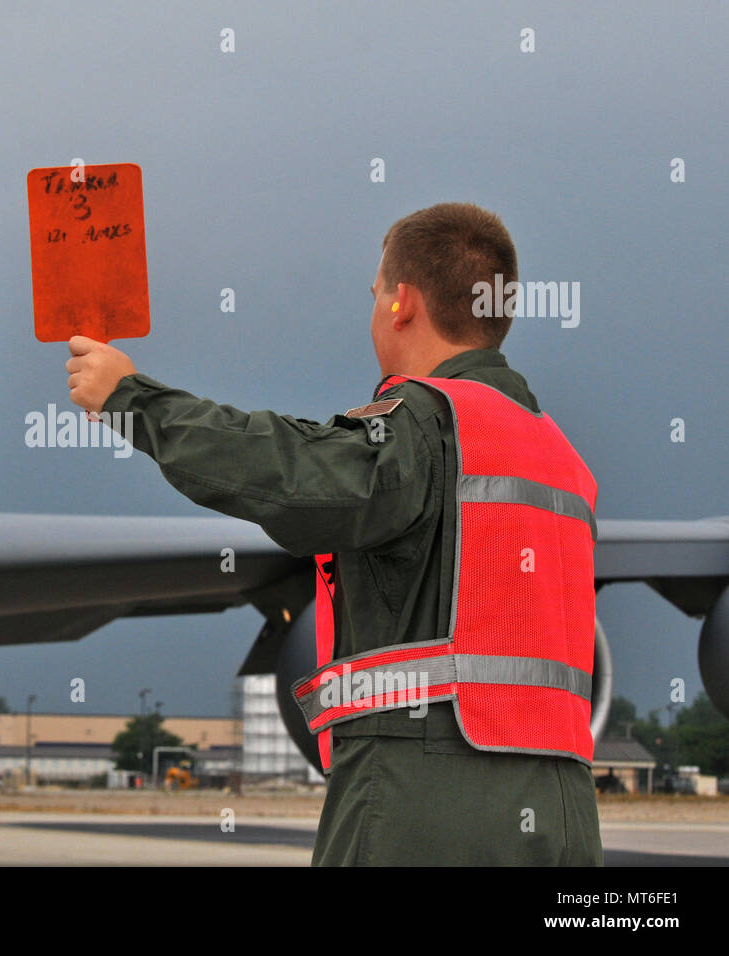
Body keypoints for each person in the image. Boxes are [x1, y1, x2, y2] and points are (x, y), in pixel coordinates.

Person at [63, 202, 603, 865]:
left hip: (425, 802)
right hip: (565, 811)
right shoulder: (559, 456)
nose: (374, 308)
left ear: (402, 303)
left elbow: (286, 469)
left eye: (376, 292)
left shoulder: (426, 426)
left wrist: (132, 401)